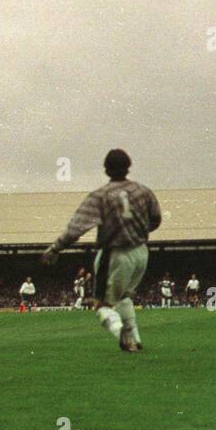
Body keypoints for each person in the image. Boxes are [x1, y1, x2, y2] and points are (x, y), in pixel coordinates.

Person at [41, 148, 162, 352]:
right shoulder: (143, 191)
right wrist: (138, 231)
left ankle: (122, 333)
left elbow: (76, 228)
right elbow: (156, 219)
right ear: (128, 167)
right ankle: (135, 339)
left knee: (101, 305)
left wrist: (55, 249)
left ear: (106, 170)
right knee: (123, 297)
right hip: (141, 252)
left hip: (115, 253)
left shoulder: (101, 195)